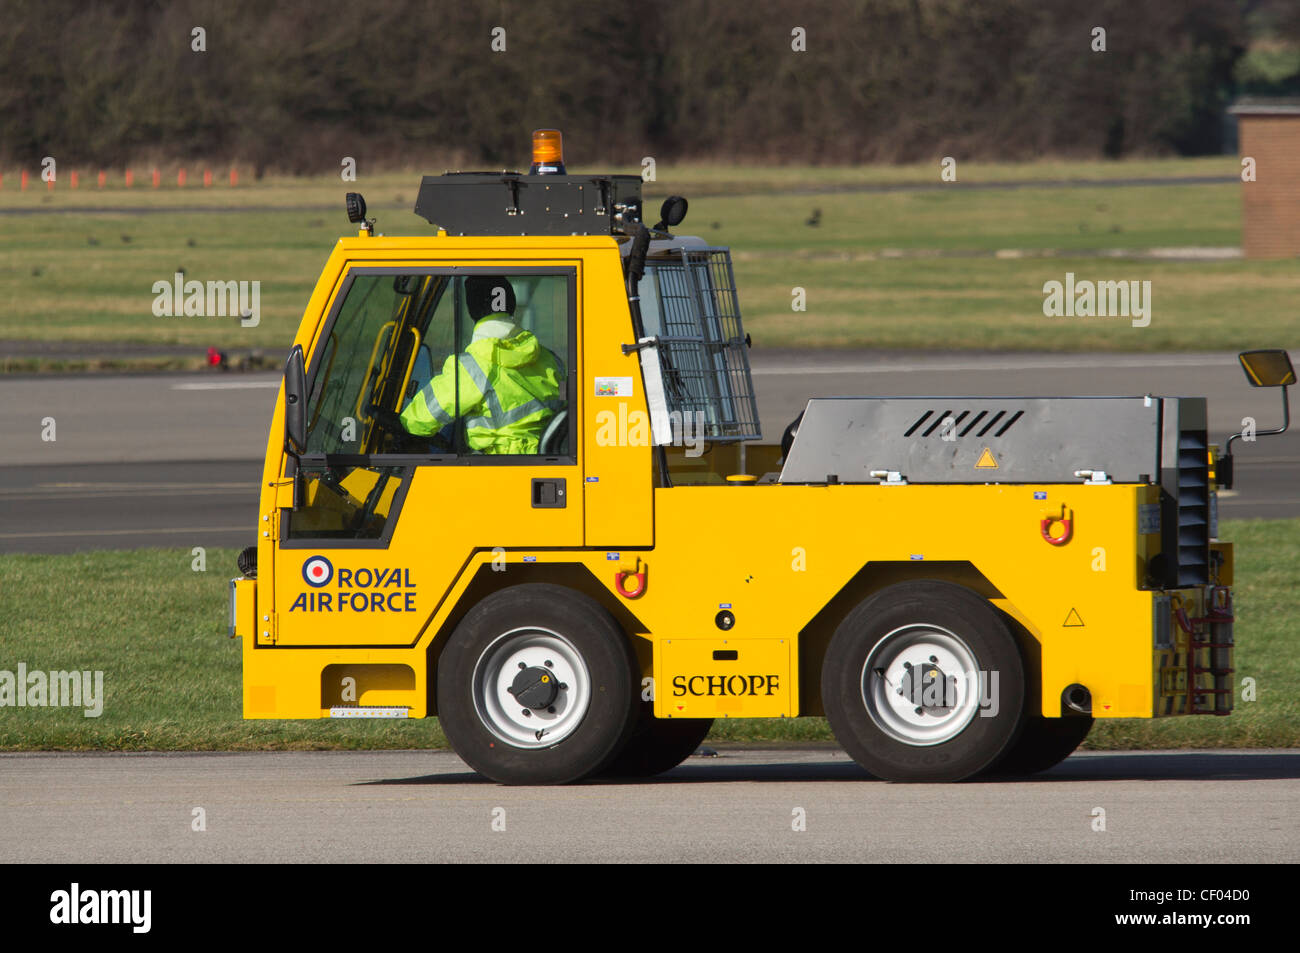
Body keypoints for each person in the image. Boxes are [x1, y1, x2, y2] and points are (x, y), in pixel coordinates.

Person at [396, 276, 564, 454]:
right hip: (548, 460)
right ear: (511, 305)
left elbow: (419, 420)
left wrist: (399, 425)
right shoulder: (552, 360)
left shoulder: (471, 367)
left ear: (472, 311)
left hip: (499, 469)